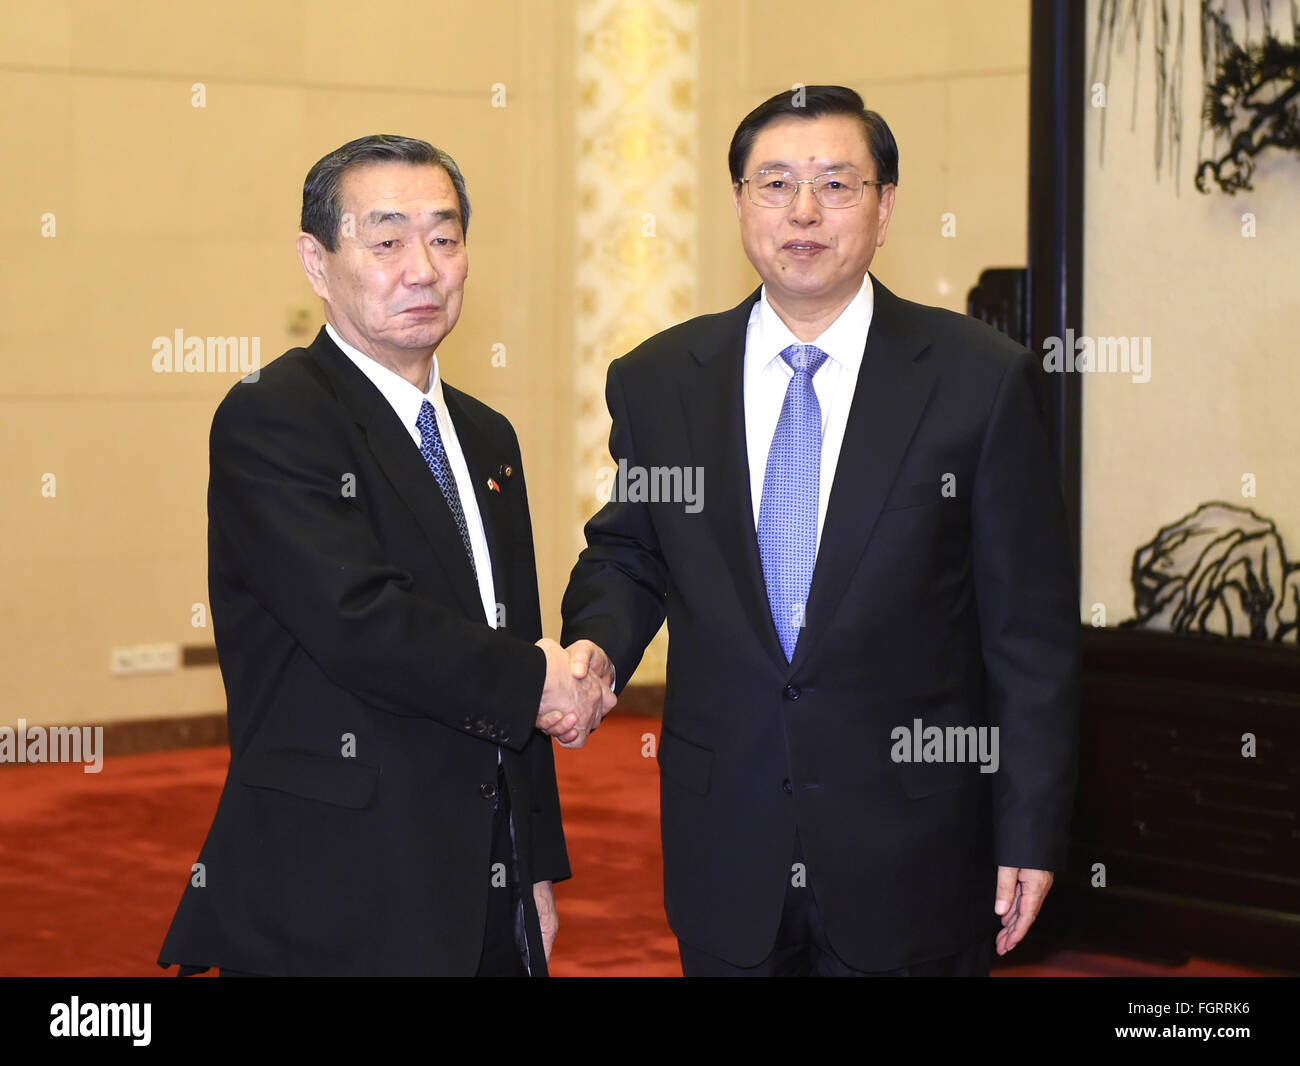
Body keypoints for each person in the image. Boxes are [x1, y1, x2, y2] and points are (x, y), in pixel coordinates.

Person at [561, 87, 1080, 976]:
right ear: (737, 204)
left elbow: (1027, 633)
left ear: (885, 208)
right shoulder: (660, 380)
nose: (803, 211)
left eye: (838, 184)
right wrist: (598, 646)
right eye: (775, 184)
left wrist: (1030, 827)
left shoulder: (977, 383)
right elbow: (632, 548)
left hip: (914, 851)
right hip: (726, 840)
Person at [158, 134, 612, 977]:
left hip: (484, 878)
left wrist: (536, 865)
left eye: (444, 238)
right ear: (317, 260)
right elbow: (359, 621)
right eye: (387, 239)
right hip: (337, 881)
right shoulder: (275, 416)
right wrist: (540, 683)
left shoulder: (486, 436)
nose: (422, 269)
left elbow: (509, 634)